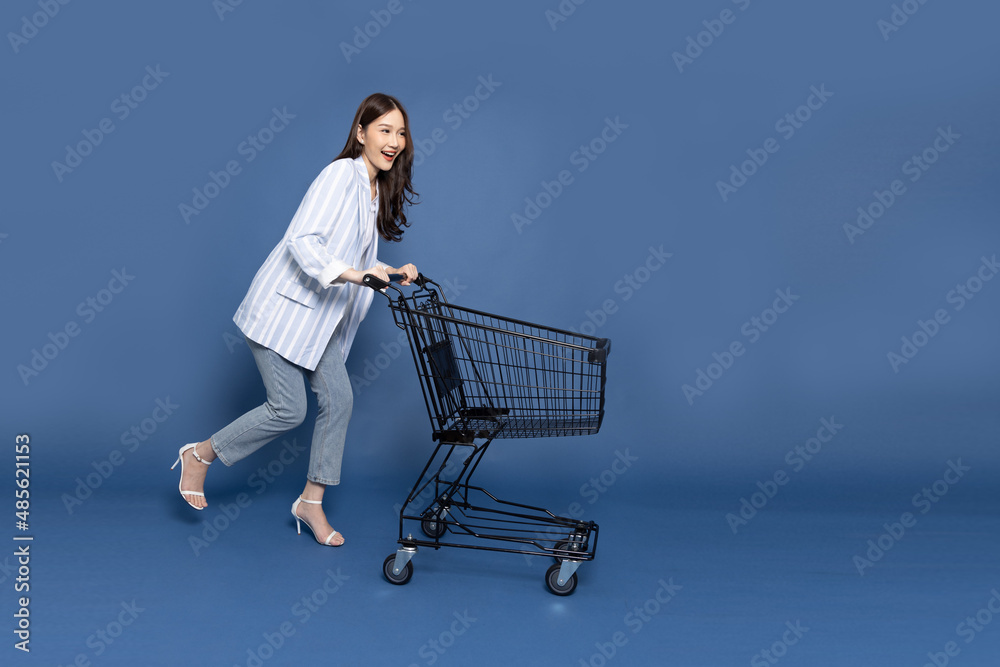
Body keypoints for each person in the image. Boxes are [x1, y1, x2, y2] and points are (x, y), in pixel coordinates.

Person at [171, 93, 419, 547]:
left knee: (339, 400)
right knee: (289, 409)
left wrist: (387, 271)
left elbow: (355, 261)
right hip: (281, 311)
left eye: (400, 132)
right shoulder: (339, 174)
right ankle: (200, 455)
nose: (394, 141)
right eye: (384, 130)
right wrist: (356, 273)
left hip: (318, 321)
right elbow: (303, 242)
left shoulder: (374, 188)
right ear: (360, 133)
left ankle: (310, 501)